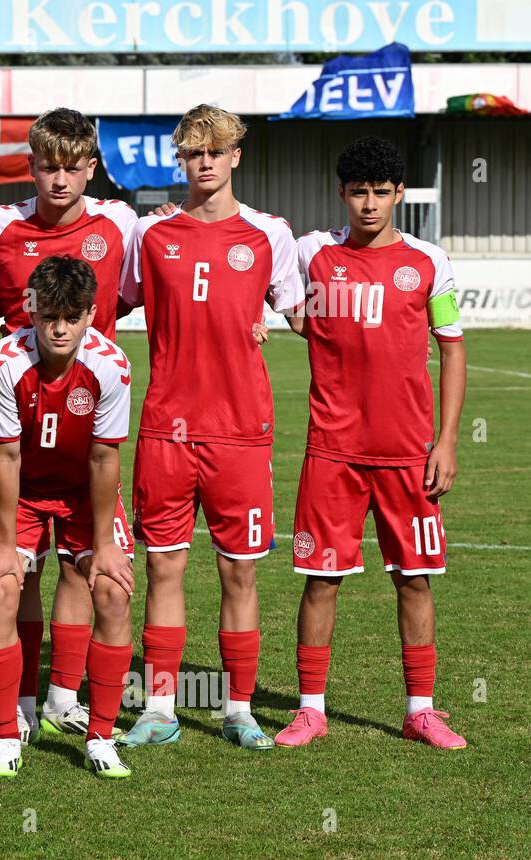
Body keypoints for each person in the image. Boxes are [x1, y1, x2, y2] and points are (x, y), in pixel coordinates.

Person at [118, 104, 302, 750]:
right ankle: (159, 707)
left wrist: (279, 320)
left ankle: (239, 709)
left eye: (215, 152)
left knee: (240, 574)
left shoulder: (268, 234)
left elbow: (302, 315)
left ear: (235, 158)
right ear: (182, 160)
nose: (204, 163)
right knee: (163, 569)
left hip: (241, 434)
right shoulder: (152, 235)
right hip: (166, 429)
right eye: (193, 153)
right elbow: (109, 309)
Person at [277, 136, 467, 750]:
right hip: (332, 451)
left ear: (399, 194)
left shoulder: (430, 262)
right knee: (321, 578)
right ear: (341, 192)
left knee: (414, 578)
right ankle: (309, 710)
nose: (368, 204)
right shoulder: (313, 255)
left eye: (380, 193)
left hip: (410, 453)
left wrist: (447, 441)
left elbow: (452, 349)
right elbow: (277, 283)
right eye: (357, 192)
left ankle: (422, 710)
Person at [0, 107, 139, 744]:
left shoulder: (120, 224)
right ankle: (13, 701)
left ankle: (64, 696)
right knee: (18, 575)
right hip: (25, 414)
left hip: (86, 422)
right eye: (49, 167)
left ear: (91, 169)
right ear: (32, 168)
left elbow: (141, 292)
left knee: (84, 572)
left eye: (74, 167)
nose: (61, 180)